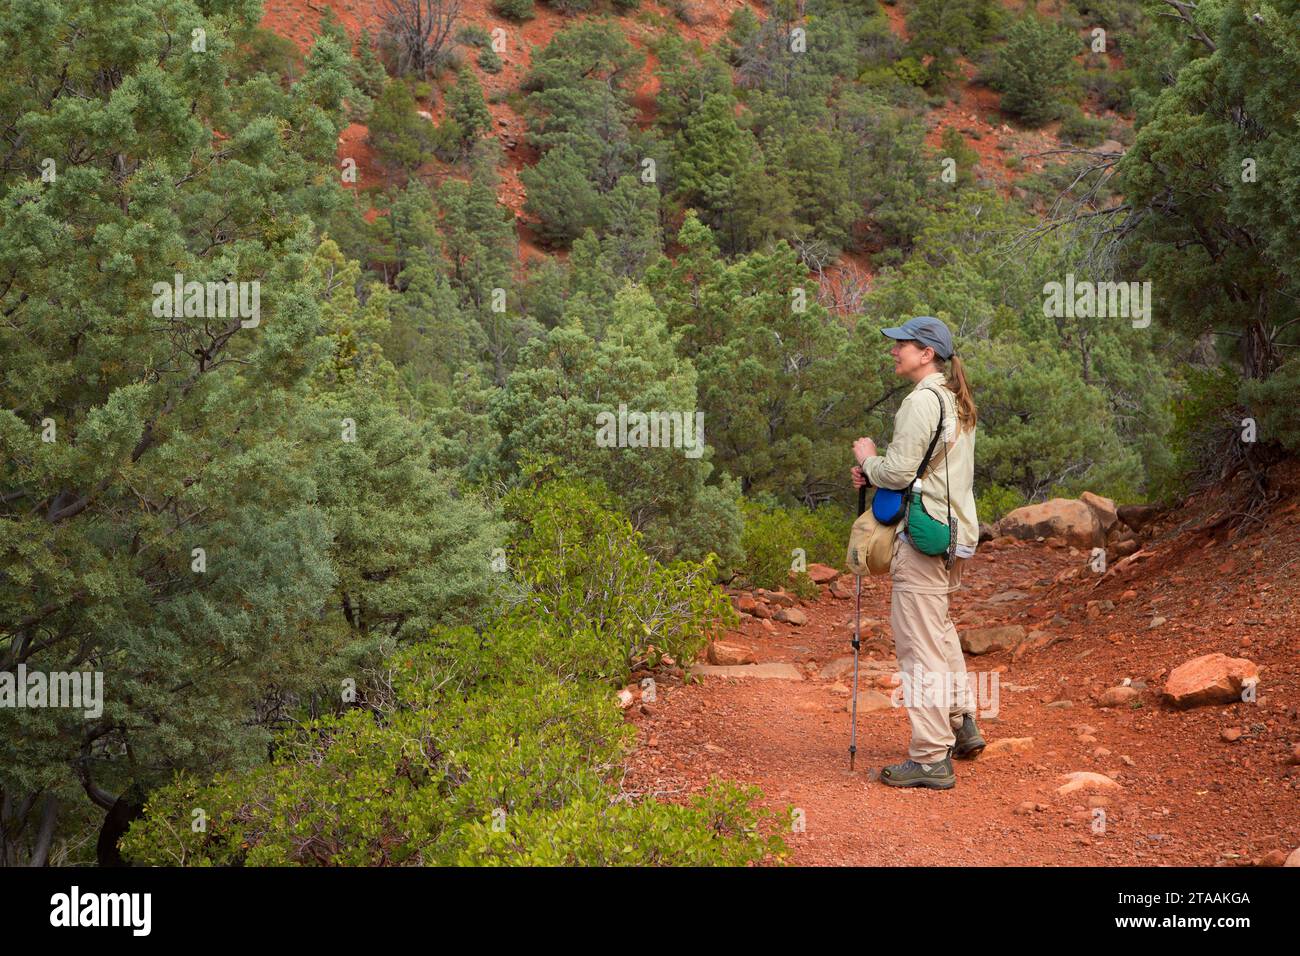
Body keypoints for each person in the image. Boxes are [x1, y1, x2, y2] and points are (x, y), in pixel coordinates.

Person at [851, 316, 985, 790]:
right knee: (941, 630)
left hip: (923, 536)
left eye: (901, 345)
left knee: (919, 646)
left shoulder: (920, 401)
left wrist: (868, 459)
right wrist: (880, 471)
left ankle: (930, 757)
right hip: (953, 533)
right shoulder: (954, 399)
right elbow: (926, 470)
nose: (894, 351)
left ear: (926, 353)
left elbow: (898, 472)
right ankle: (960, 720)